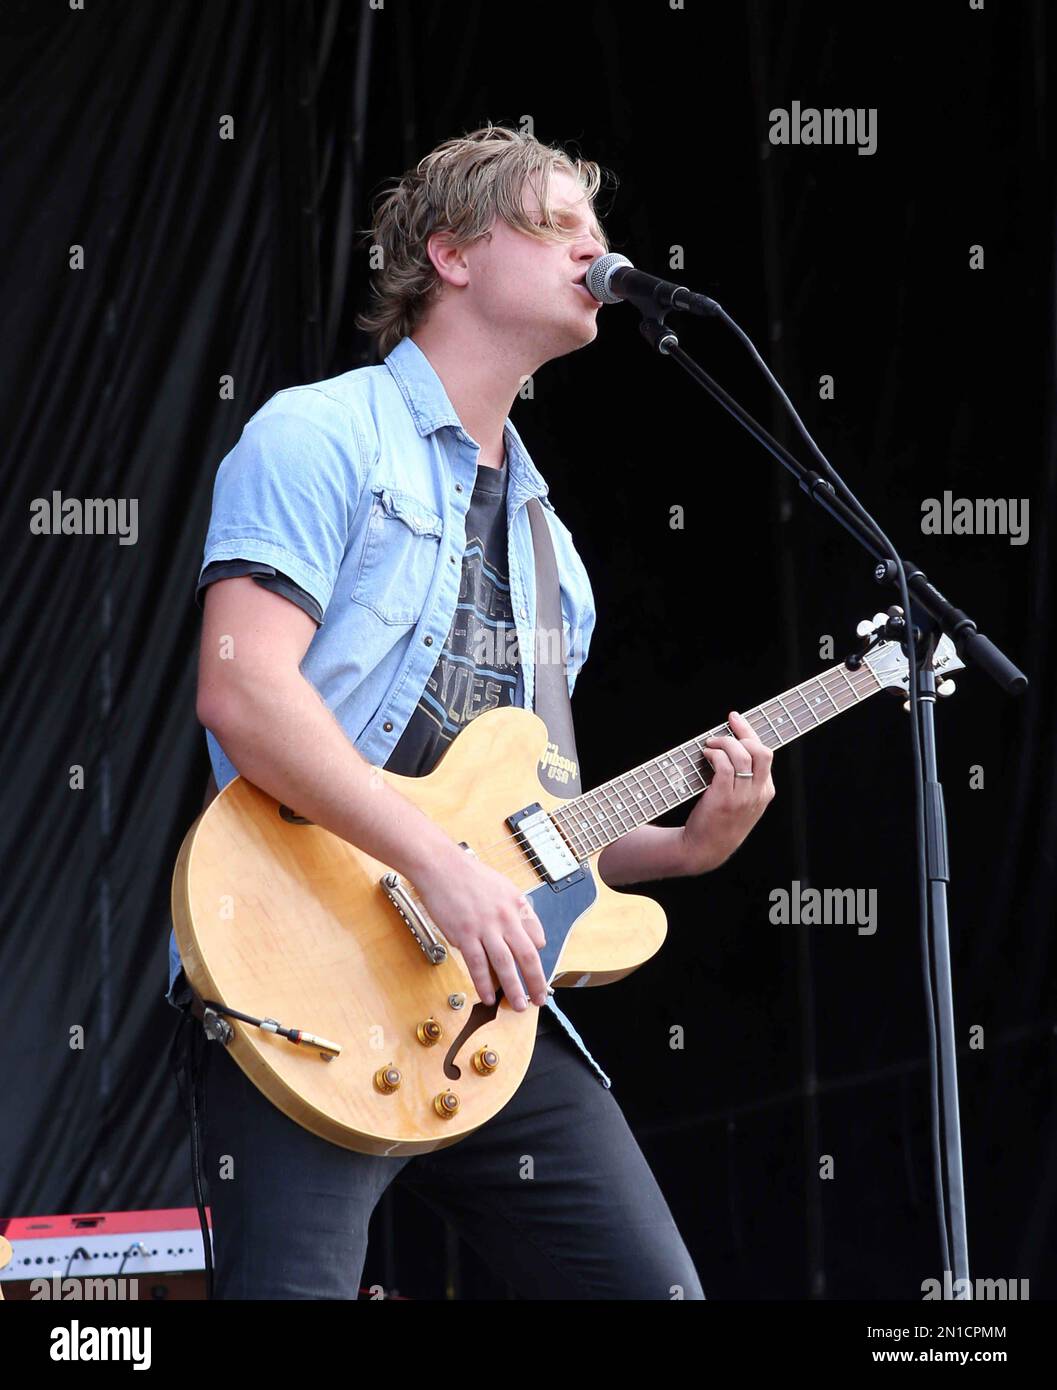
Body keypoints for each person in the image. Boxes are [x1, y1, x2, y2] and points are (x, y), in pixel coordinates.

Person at [165, 124, 775, 1299]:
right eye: (555, 225)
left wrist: (683, 847)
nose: (594, 251)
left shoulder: (559, 557)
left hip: (484, 1012)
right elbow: (243, 689)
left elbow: (532, 833)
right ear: (449, 253)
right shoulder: (319, 434)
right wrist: (431, 863)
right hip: (305, 974)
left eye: (599, 233)